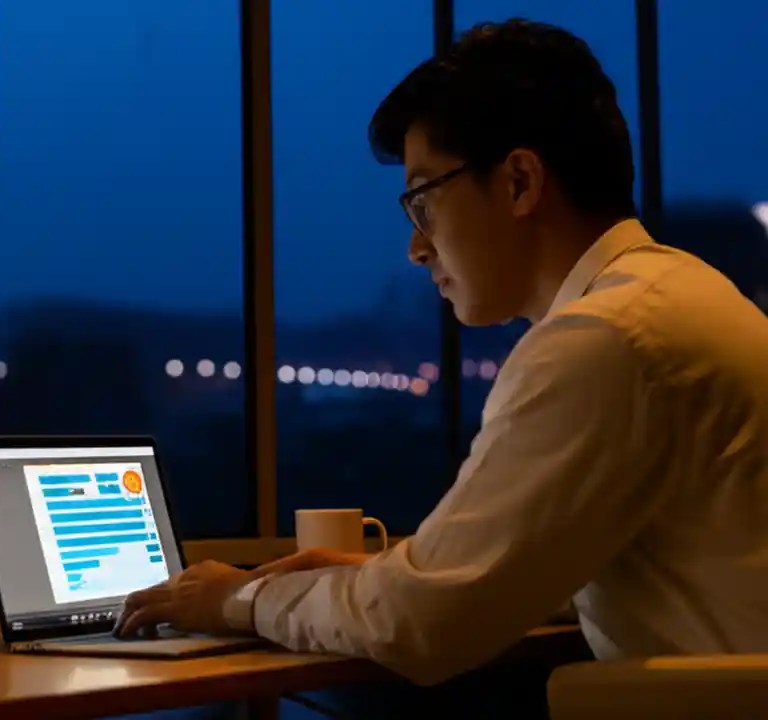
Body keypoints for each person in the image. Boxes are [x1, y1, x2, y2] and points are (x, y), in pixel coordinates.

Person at [115, 17, 768, 710]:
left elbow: (420, 625)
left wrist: (236, 598)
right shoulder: (679, 297)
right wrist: (404, 573)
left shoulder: (603, 341)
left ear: (519, 181)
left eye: (423, 201)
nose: (416, 248)